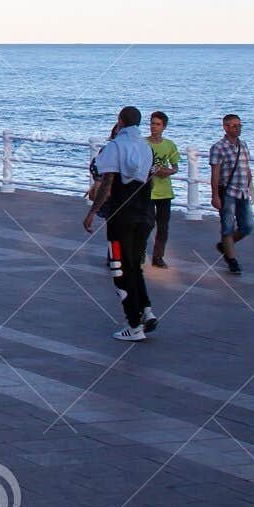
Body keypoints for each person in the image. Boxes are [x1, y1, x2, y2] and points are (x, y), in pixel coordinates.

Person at [83, 106, 158, 342]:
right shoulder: (146, 148)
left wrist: (92, 212)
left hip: (121, 215)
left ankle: (133, 325)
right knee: (134, 264)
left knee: (119, 267)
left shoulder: (115, 147)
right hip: (145, 214)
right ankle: (145, 310)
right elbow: (150, 182)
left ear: (120, 121)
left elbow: (107, 183)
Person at [210, 113, 254, 276]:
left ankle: (225, 246)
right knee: (227, 227)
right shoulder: (218, 147)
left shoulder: (243, 145)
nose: (238, 128)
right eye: (234, 126)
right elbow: (215, 172)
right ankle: (232, 261)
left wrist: (250, 188)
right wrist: (215, 195)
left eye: (239, 125)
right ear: (226, 127)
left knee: (247, 226)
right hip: (227, 192)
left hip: (242, 192)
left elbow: (246, 168)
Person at [146, 111, 180, 268]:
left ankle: (158, 257)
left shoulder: (169, 145)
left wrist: (168, 171)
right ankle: (140, 253)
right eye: (152, 123)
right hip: (147, 190)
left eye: (158, 124)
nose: (154, 127)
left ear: (164, 127)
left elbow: (175, 167)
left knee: (163, 227)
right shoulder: (143, 143)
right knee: (146, 224)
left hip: (165, 191)